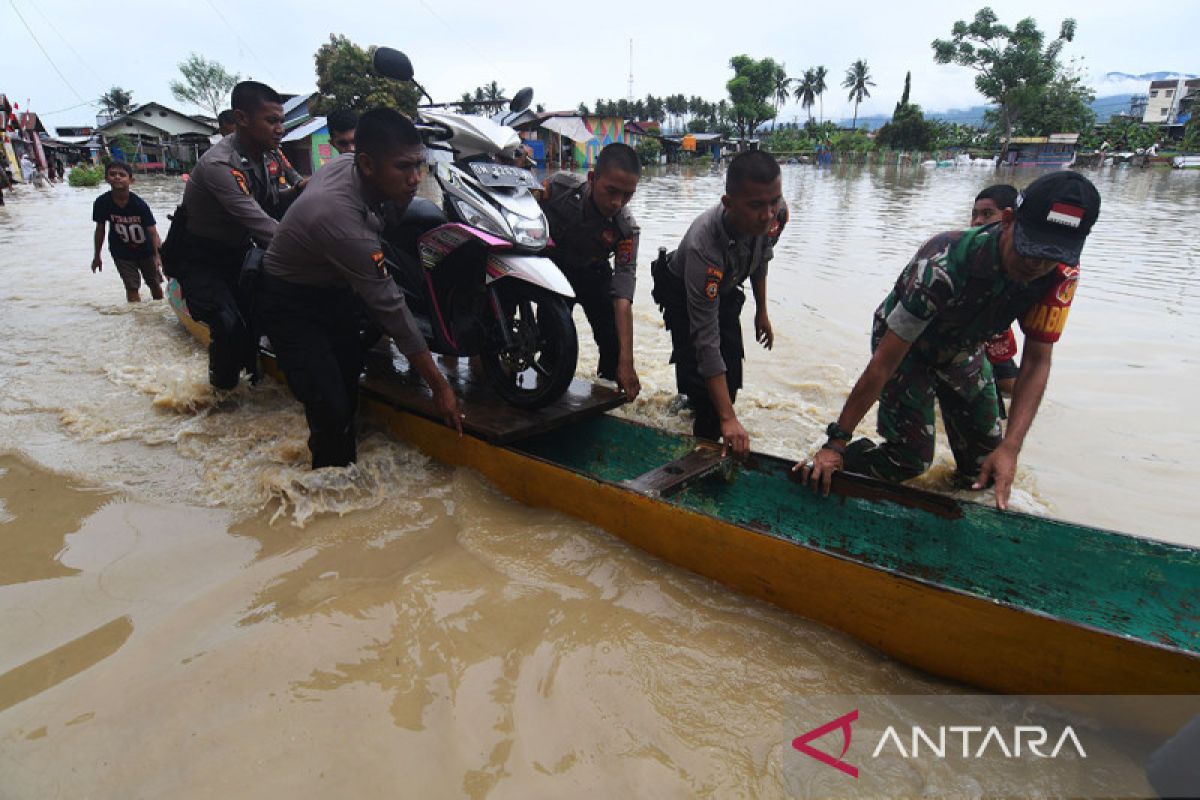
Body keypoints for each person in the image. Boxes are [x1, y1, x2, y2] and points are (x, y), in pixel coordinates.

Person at [796, 171, 1101, 510]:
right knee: (909, 460)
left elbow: (1037, 361)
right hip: (908, 348)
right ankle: (843, 466)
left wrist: (1011, 448)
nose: (1036, 266)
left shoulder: (1060, 274)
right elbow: (884, 362)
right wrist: (836, 443)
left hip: (964, 349)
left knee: (984, 468)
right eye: (1029, 251)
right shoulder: (943, 263)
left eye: (1050, 257)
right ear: (1009, 221)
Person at [257, 108, 463, 468]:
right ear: (367, 165)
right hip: (289, 300)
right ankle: (331, 492)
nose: (415, 179)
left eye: (419, 165)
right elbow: (392, 310)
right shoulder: (339, 218)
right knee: (330, 406)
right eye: (403, 167)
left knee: (349, 376)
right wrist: (441, 387)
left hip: (334, 288)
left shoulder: (350, 166)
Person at [170, 80, 306, 390]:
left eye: (282, 121)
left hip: (239, 253)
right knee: (229, 326)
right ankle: (222, 398)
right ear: (242, 119)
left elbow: (273, 202)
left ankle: (257, 381)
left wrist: (305, 194)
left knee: (262, 318)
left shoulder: (270, 155)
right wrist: (313, 252)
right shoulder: (219, 164)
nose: (279, 129)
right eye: (271, 121)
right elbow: (259, 221)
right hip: (201, 260)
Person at [651, 149, 787, 456]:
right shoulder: (705, 245)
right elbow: (706, 338)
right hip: (682, 290)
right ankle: (702, 442)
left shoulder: (777, 214)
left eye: (773, 201)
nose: (767, 214)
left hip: (725, 286)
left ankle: (700, 406)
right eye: (756, 205)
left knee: (731, 375)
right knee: (703, 379)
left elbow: (761, 255)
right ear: (729, 204)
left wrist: (761, 311)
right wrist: (728, 419)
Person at [539, 142, 642, 398]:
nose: (618, 202)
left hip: (594, 273)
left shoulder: (626, 228)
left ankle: (604, 394)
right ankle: (542, 394)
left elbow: (623, 295)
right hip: (554, 273)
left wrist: (626, 363)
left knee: (611, 342)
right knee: (553, 339)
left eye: (627, 195)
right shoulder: (558, 188)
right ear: (592, 178)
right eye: (611, 191)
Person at [971, 184, 1022, 397]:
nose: (977, 221)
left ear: (1010, 218)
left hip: (993, 342)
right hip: (958, 346)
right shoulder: (961, 253)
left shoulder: (1026, 262)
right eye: (974, 215)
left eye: (987, 214)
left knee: (1015, 391)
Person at [91, 160, 163, 302]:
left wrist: (157, 256)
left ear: (131, 180)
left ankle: (158, 310)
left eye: (122, 175)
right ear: (106, 179)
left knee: (154, 283)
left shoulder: (139, 204)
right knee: (131, 286)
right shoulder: (102, 203)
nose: (117, 177)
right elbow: (100, 229)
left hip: (146, 250)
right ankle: (137, 318)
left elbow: (153, 232)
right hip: (121, 251)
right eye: (112, 174)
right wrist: (97, 256)